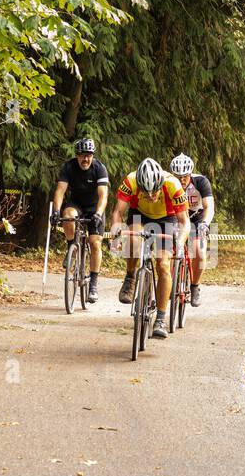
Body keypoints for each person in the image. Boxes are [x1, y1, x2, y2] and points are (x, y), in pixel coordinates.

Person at [110, 157, 190, 339]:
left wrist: (179, 242)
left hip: (166, 218)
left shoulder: (173, 185)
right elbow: (118, 212)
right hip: (140, 214)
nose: (151, 196)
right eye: (146, 193)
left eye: (155, 192)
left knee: (163, 264)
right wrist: (116, 235)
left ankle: (161, 318)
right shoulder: (130, 181)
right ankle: (130, 276)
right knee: (133, 241)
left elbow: (185, 222)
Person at [52, 138, 109, 302]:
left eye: (89, 155)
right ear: (77, 156)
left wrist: (98, 213)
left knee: (95, 243)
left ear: (93, 156)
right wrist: (56, 211)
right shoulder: (69, 167)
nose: (86, 159)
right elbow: (60, 191)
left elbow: (103, 195)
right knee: (68, 216)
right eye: (82, 155)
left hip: (94, 207)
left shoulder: (99, 168)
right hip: (76, 205)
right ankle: (72, 248)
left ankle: (93, 285)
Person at [169, 153, 213, 306]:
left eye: (185, 177)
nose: (181, 180)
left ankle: (195, 287)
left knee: (199, 252)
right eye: (178, 176)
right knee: (169, 251)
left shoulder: (201, 181)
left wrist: (205, 223)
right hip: (176, 218)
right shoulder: (168, 183)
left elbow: (209, 206)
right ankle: (170, 282)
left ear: (190, 173)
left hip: (196, 219)